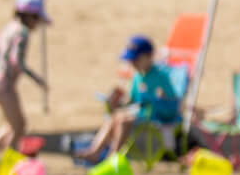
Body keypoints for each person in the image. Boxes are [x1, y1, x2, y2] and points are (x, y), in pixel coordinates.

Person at [78, 34, 183, 163]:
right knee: (115, 117)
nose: (132, 63)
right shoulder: (137, 77)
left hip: (156, 125)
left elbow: (173, 107)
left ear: (148, 56)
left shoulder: (161, 77)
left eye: (136, 59)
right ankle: (95, 152)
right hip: (140, 122)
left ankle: (112, 158)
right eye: (131, 60)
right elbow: (132, 102)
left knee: (123, 120)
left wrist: (159, 100)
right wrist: (116, 103)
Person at [0, 0, 50, 162]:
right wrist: (37, 79)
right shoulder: (22, 33)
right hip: (5, 85)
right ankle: (9, 163)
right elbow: (17, 60)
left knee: (12, 125)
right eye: (36, 19)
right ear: (29, 16)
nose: (37, 24)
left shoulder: (9, 28)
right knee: (19, 126)